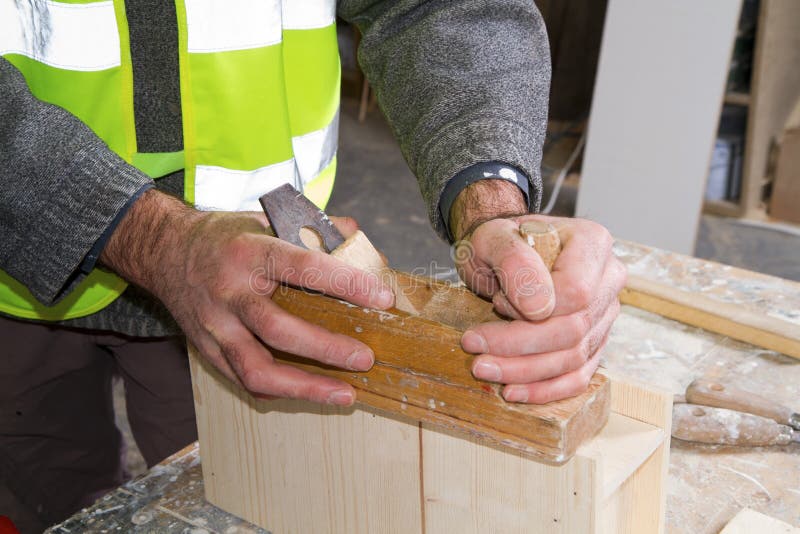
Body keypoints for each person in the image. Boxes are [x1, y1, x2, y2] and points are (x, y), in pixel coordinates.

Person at [0, 0, 626, 529]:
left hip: (264, 286)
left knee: (252, 496)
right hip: (17, 257)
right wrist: (150, 236)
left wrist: (491, 200)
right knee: (48, 492)